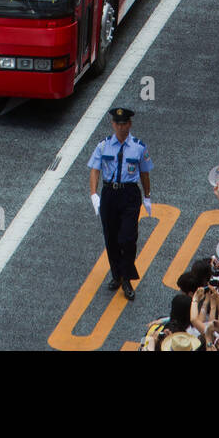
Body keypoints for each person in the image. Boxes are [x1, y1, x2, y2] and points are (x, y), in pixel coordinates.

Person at [87, 106, 153, 300]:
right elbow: (95, 169)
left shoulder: (139, 147)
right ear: (113, 124)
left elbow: (144, 172)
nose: (121, 127)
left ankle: (126, 278)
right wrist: (93, 193)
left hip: (129, 194)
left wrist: (147, 195)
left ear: (129, 124)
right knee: (111, 238)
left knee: (128, 237)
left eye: (124, 124)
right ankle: (117, 275)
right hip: (109, 193)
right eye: (117, 124)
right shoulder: (103, 145)